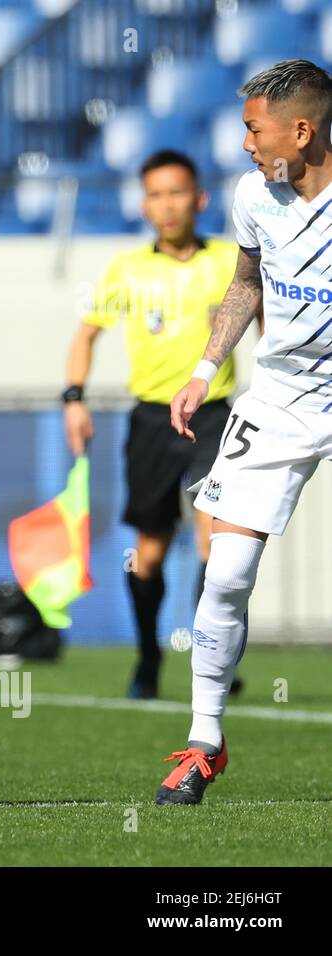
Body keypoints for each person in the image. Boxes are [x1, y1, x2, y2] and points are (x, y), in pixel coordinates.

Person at [158, 59, 332, 804]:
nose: (244, 144)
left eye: (254, 129)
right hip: (284, 394)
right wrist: (204, 368)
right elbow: (245, 282)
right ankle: (203, 742)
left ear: (302, 128)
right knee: (226, 572)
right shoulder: (251, 197)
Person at [64, 149, 259, 699]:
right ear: (145, 204)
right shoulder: (127, 269)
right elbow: (85, 334)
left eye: (177, 192)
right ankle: (149, 657)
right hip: (151, 420)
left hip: (215, 415)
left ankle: (212, 656)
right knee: (149, 550)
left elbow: (266, 324)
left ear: (199, 199)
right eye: (155, 194)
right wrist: (74, 399)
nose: (167, 204)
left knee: (214, 539)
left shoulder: (230, 261)